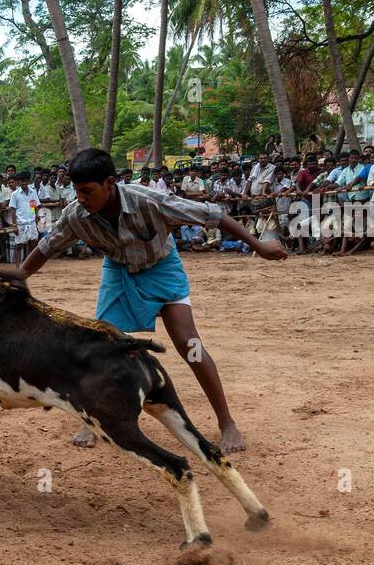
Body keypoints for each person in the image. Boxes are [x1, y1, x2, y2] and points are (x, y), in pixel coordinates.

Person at [21, 148, 287, 454]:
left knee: (191, 346)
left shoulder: (149, 200)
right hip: (119, 272)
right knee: (101, 346)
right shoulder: (75, 216)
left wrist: (257, 244)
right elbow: (45, 249)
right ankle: (92, 418)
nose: (80, 198)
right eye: (76, 191)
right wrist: (15, 280)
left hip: (162, 267)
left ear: (110, 183)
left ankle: (227, 422)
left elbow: (212, 215)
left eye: (87, 191)